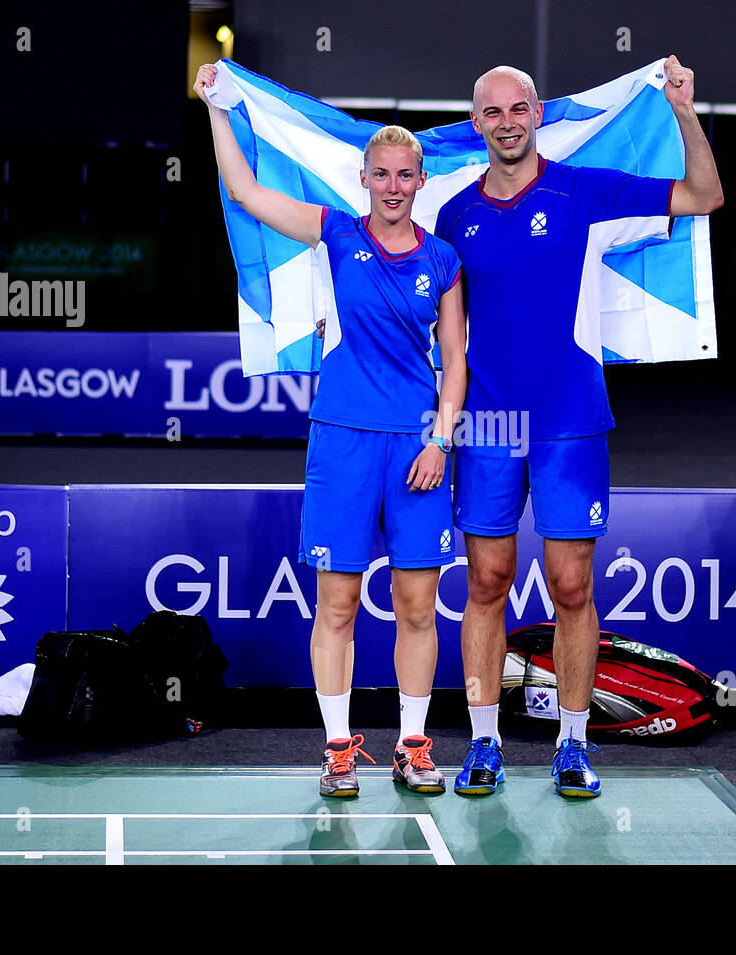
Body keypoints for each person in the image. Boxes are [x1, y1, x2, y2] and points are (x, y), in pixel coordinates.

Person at [435, 55, 723, 798]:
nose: (506, 122)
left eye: (518, 108)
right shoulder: (453, 216)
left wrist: (684, 112)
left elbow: (704, 194)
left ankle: (571, 742)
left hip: (568, 420)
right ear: (477, 124)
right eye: (492, 112)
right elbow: (446, 333)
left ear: (538, 114)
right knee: (487, 583)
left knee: (571, 585)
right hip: (489, 425)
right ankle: (484, 743)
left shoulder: (582, 191)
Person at [195, 64, 468, 797]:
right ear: (364, 177)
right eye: (379, 174)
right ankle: (339, 747)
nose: (391, 186)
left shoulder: (443, 260)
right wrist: (219, 109)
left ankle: (414, 744)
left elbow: (456, 360)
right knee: (338, 604)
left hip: (415, 449)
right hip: (341, 441)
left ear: (419, 181)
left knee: (417, 605)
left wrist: (440, 441)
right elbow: (249, 193)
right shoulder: (335, 233)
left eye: (404, 175)